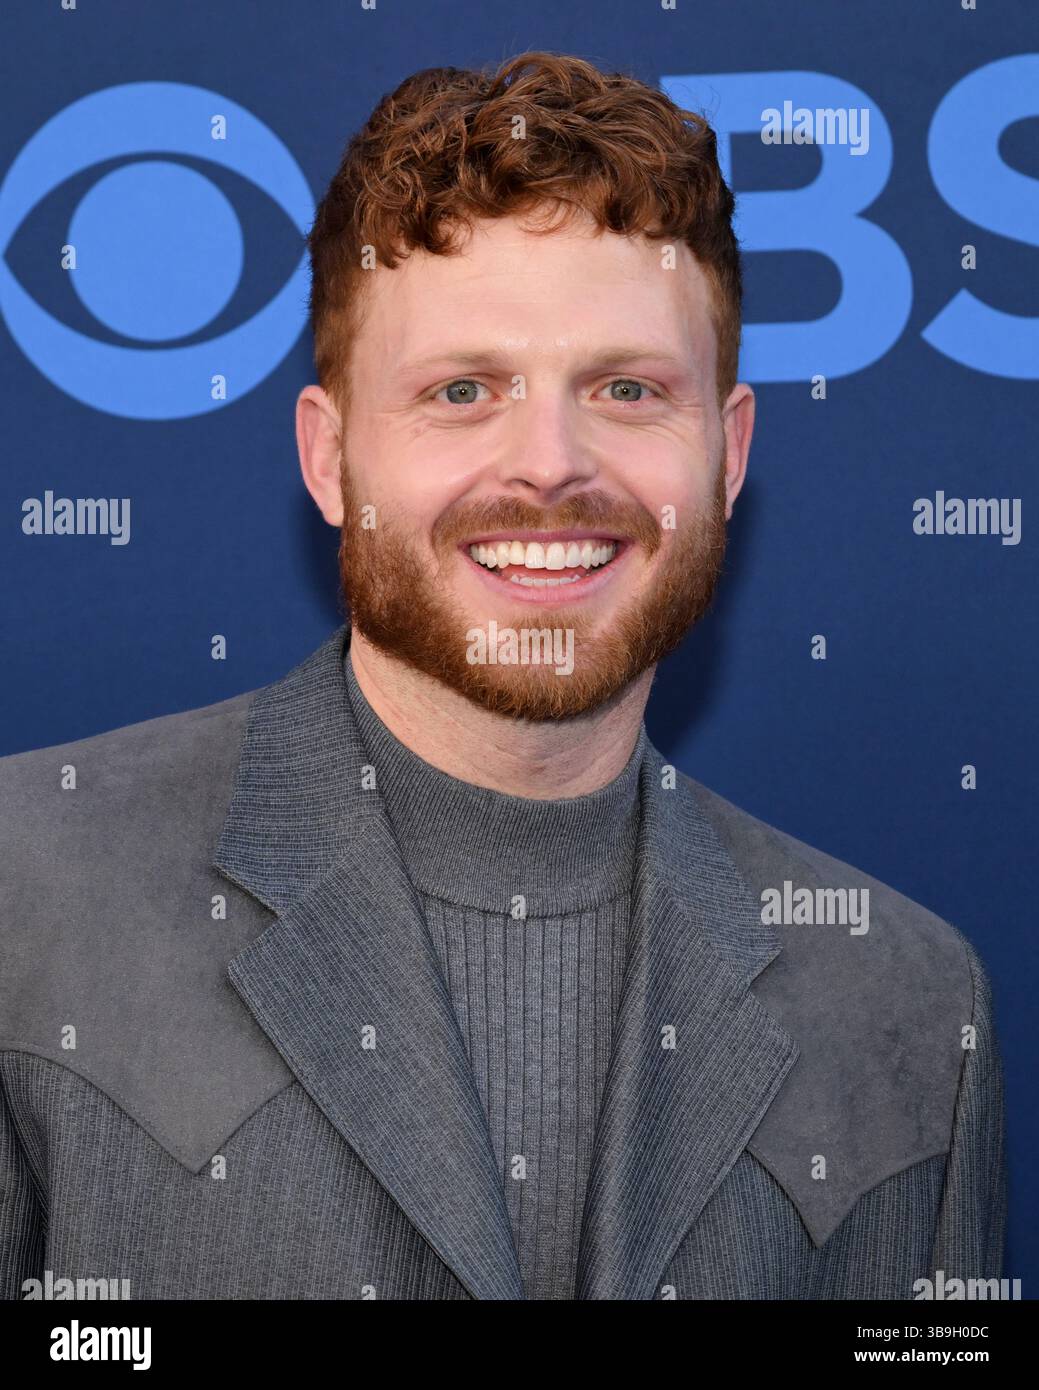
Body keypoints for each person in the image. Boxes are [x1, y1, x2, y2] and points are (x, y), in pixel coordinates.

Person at [0, 51, 1005, 1301]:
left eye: (628, 388)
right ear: (330, 458)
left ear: (728, 453)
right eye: (463, 390)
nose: (548, 464)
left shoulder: (908, 1003)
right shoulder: (25, 890)